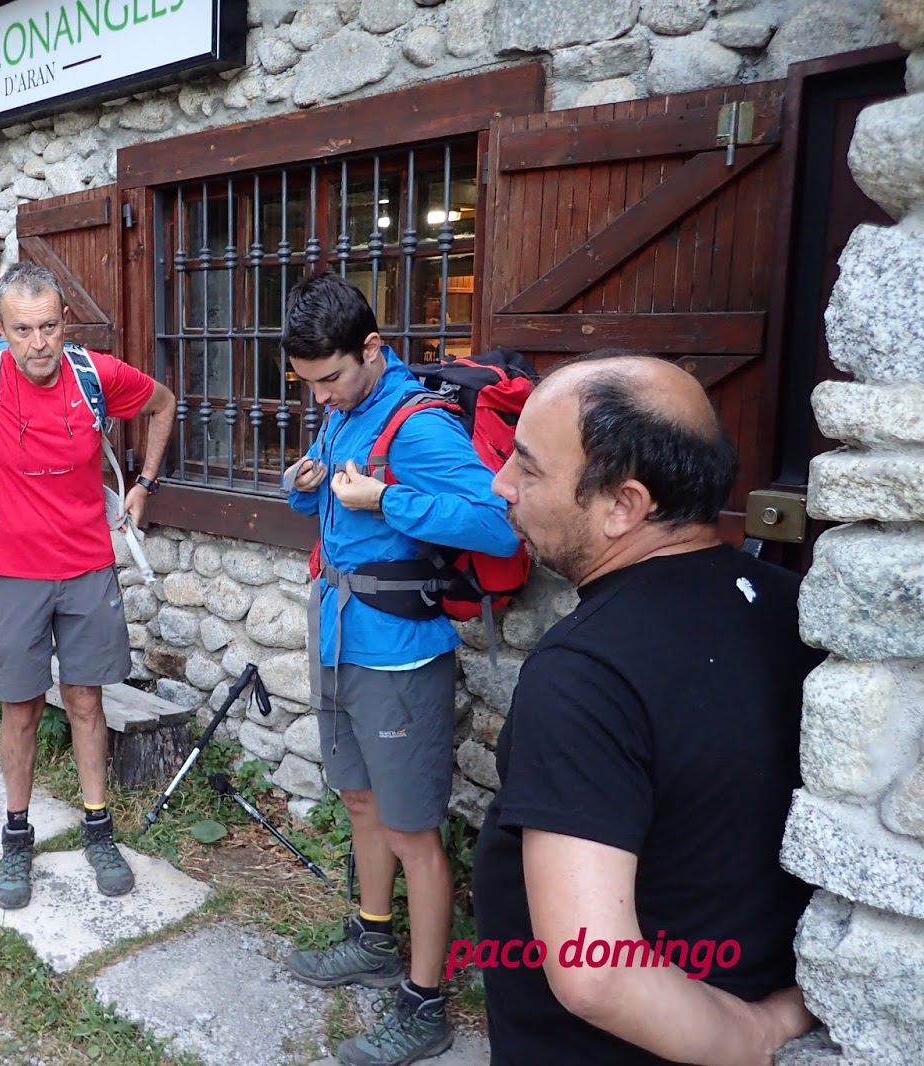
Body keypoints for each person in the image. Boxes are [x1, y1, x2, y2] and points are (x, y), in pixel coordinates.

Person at [470, 352, 821, 1065]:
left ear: (623, 506)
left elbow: (595, 971)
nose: (501, 483)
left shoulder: (586, 674)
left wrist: (757, 1036)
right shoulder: (793, 609)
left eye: (529, 468)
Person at [280, 272, 519, 1066]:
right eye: (307, 385)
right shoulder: (344, 412)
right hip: (339, 638)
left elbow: (499, 523)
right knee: (358, 798)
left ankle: (426, 1005)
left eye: (331, 379)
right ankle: (374, 938)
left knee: (414, 827)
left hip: (402, 653)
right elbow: (323, 498)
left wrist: (386, 502)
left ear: (372, 350)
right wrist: (301, 484)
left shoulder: (416, 426)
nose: (321, 399)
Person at [0, 261, 175, 909]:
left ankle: (97, 829)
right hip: (11, 572)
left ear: (64, 322)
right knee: (19, 708)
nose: (39, 343)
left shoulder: (95, 374)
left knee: (86, 701)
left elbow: (162, 404)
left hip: (86, 568)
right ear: (1, 329)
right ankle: (16, 839)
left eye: (49, 326)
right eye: (23, 330)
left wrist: (145, 485)